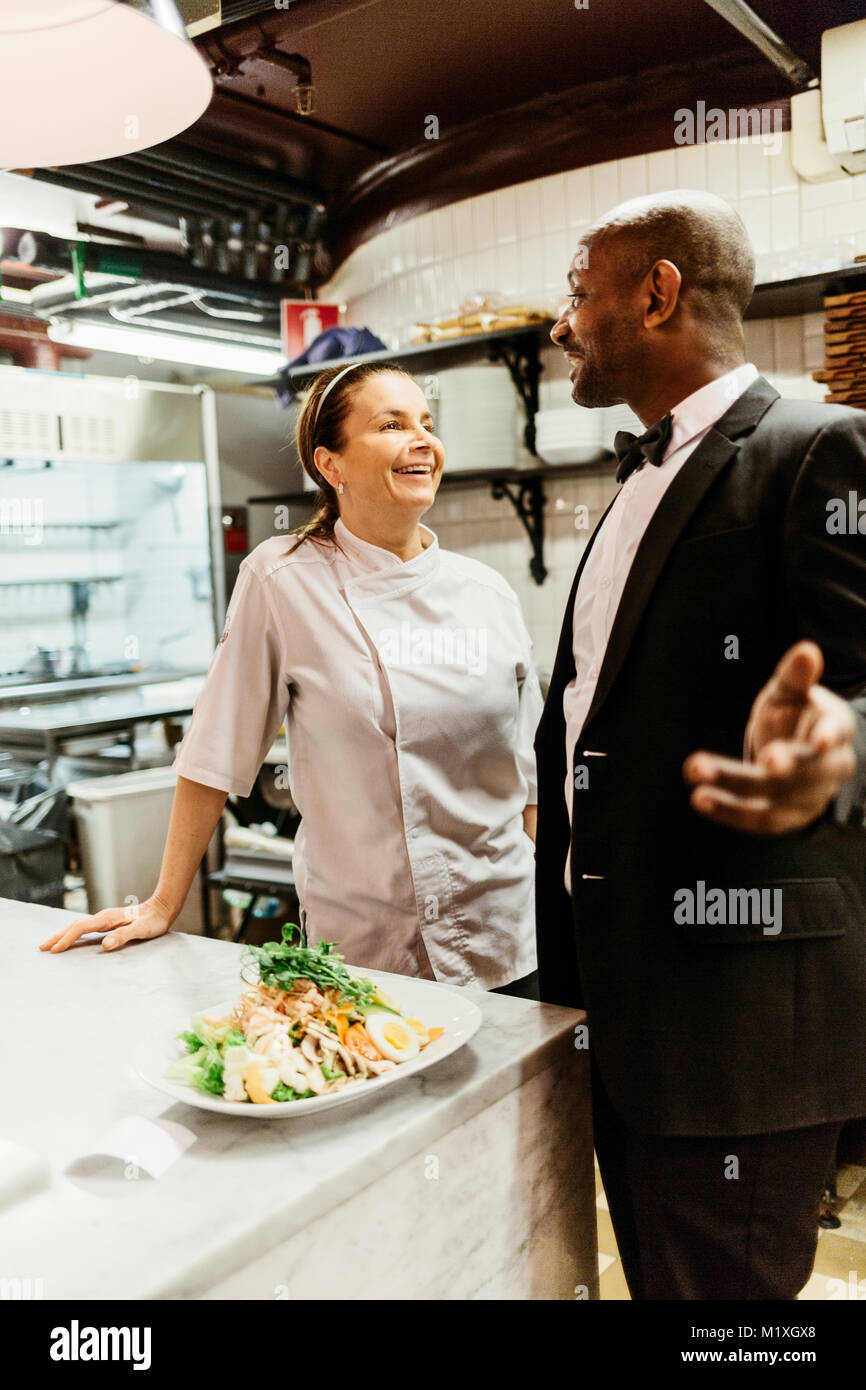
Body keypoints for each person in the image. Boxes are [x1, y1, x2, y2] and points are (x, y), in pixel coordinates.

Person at [536, 188, 866, 1299]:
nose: (559, 323)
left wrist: (837, 752)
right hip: (620, 1012)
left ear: (656, 291)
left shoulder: (814, 446)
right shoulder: (633, 475)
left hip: (736, 1029)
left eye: (576, 294)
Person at [42, 361, 543, 998]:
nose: (422, 440)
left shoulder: (487, 593)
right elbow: (215, 750)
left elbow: (527, 776)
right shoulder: (282, 578)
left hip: (503, 939)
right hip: (365, 949)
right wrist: (164, 902)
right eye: (392, 425)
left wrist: (542, 893)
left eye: (427, 423)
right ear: (329, 465)